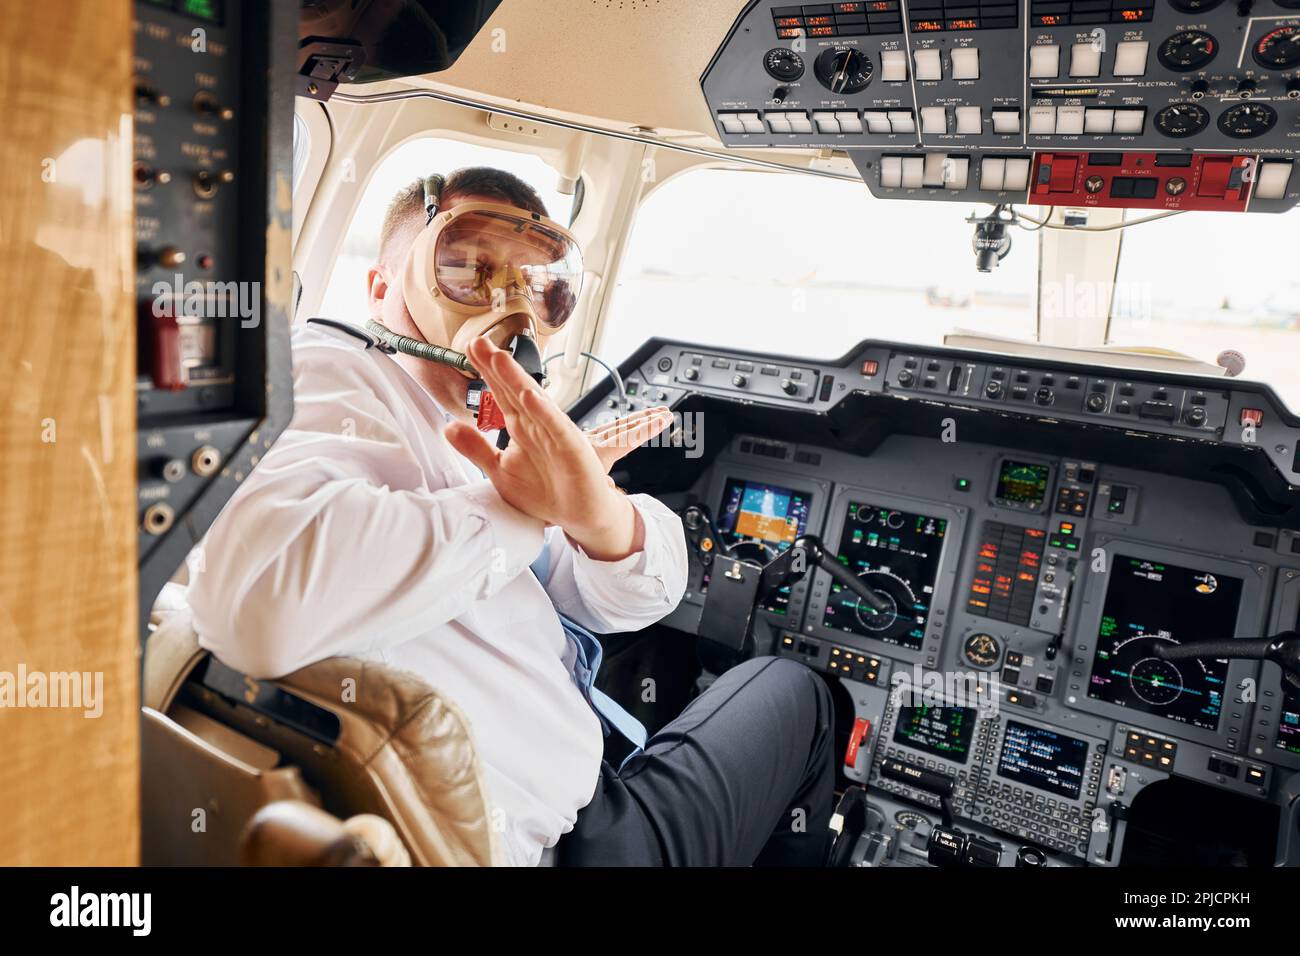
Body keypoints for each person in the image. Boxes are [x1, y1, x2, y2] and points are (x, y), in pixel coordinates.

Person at [187, 166, 833, 866]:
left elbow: (631, 601)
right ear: (383, 288)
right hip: (544, 845)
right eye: (468, 268)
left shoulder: (457, 438)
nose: (507, 301)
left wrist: (599, 522)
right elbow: (260, 605)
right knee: (798, 691)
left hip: (522, 806)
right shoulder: (331, 371)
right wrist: (519, 509)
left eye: (536, 283)